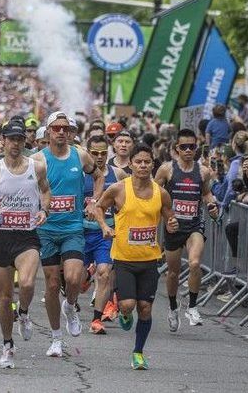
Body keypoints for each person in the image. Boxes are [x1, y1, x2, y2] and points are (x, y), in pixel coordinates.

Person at [91, 144, 179, 370]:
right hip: (124, 258)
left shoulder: (161, 193)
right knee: (129, 305)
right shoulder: (119, 189)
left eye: (147, 162)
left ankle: (138, 352)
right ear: (130, 164)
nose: (142, 166)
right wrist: (103, 226)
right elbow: (98, 207)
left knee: (146, 308)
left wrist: (172, 224)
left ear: (152, 164)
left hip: (149, 259)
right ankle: (124, 314)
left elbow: (170, 220)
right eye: (138, 162)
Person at [0, 123, 50, 369]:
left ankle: (25, 312)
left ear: (24, 141)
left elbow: (46, 191)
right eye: (11, 139)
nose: (16, 143)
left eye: (20, 138)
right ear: (3, 141)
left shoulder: (37, 167)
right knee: (5, 297)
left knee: (28, 283)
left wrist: (44, 211)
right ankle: (8, 345)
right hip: (1, 237)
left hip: (26, 237)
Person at [31, 111, 103, 357]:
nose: (61, 132)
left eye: (65, 128)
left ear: (70, 132)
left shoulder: (80, 154)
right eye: (56, 128)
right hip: (47, 230)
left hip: (73, 228)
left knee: (74, 279)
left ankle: (70, 305)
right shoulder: (38, 159)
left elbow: (99, 175)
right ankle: (56, 338)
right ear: (48, 131)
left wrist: (94, 201)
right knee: (52, 284)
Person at [154, 129, 219, 330]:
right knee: (172, 273)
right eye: (184, 147)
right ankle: (173, 308)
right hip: (173, 226)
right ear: (177, 149)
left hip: (193, 225)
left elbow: (207, 194)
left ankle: (192, 306)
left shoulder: (203, 171)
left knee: (194, 263)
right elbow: (155, 195)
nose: (188, 150)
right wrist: (161, 218)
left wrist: (212, 206)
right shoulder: (167, 169)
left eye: (192, 146)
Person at [82, 135, 125, 334]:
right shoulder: (79, 173)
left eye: (103, 153)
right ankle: (85, 276)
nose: (99, 157)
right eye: (95, 153)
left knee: (105, 273)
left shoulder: (118, 174)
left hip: (105, 234)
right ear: (87, 152)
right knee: (75, 281)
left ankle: (96, 320)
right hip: (79, 233)